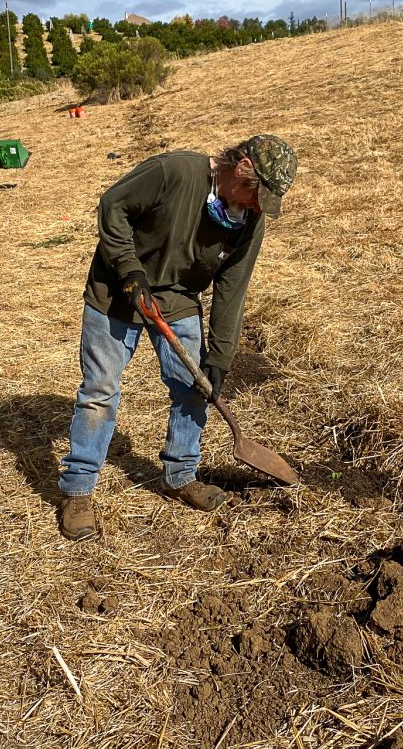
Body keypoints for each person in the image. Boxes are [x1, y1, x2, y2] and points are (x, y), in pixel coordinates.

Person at [58, 134, 298, 542]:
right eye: (255, 196)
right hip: (116, 290)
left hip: (178, 298)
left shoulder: (248, 220)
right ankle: (78, 490)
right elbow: (113, 206)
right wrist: (129, 269)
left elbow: (232, 289)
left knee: (194, 387)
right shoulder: (173, 172)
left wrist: (219, 358)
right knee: (100, 390)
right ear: (241, 168)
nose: (256, 207)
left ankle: (180, 475)